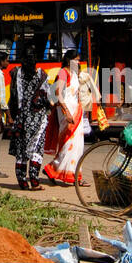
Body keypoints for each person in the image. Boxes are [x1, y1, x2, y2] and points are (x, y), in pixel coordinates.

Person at [8, 51, 50, 191]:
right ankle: (34, 181)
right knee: (36, 149)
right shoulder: (41, 75)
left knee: (21, 151)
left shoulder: (15, 73)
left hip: (20, 118)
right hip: (37, 118)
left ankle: (22, 182)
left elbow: (13, 95)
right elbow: (48, 97)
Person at [44, 50, 85, 186]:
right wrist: (66, 112)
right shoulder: (63, 72)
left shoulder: (75, 73)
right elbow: (58, 93)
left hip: (76, 110)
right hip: (65, 111)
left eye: (79, 60)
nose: (78, 62)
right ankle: (59, 171)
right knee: (68, 143)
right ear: (69, 60)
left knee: (78, 145)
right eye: (76, 60)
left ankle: (72, 174)